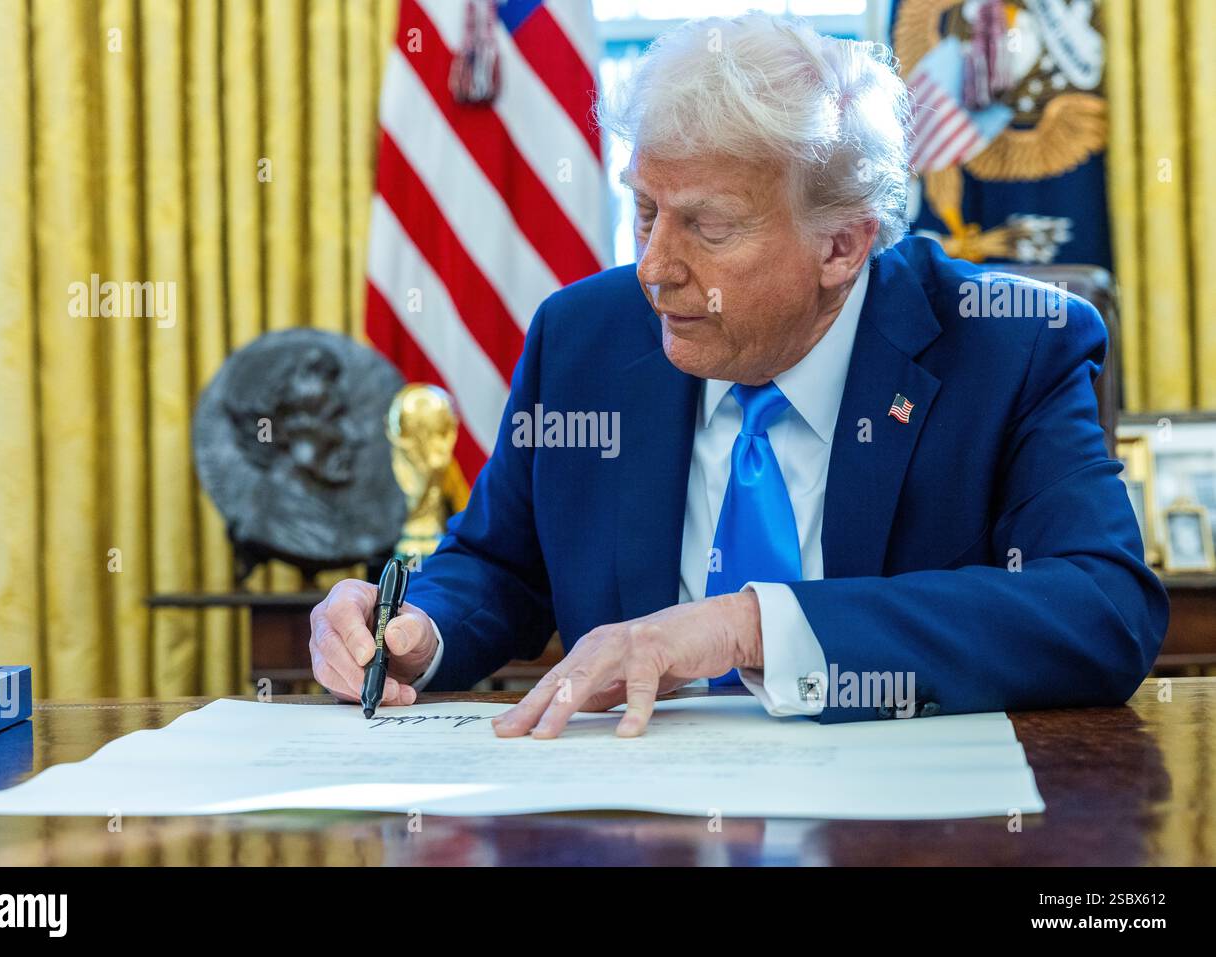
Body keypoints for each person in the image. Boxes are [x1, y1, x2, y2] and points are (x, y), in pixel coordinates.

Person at [309, 13, 1168, 737]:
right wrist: (423, 627)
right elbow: (502, 566)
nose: (653, 268)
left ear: (843, 244)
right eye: (644, 210)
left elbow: (1100, 609)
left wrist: (748, 627)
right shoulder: (585, 338)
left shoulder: (1007, 346)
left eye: (706, 227)